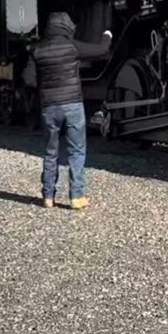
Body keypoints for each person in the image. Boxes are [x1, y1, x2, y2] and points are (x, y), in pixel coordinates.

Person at [22, 12, 112, 210]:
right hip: (72, 104)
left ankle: (48, 197)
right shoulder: (73, 46)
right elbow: (102, 50)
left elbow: (28, 79)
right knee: (77, 151)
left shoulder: (37, 49)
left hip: (49, 106)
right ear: (67, 27)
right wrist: (107, 34)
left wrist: (45, 85)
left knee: (50, 152)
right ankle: (77, 197)